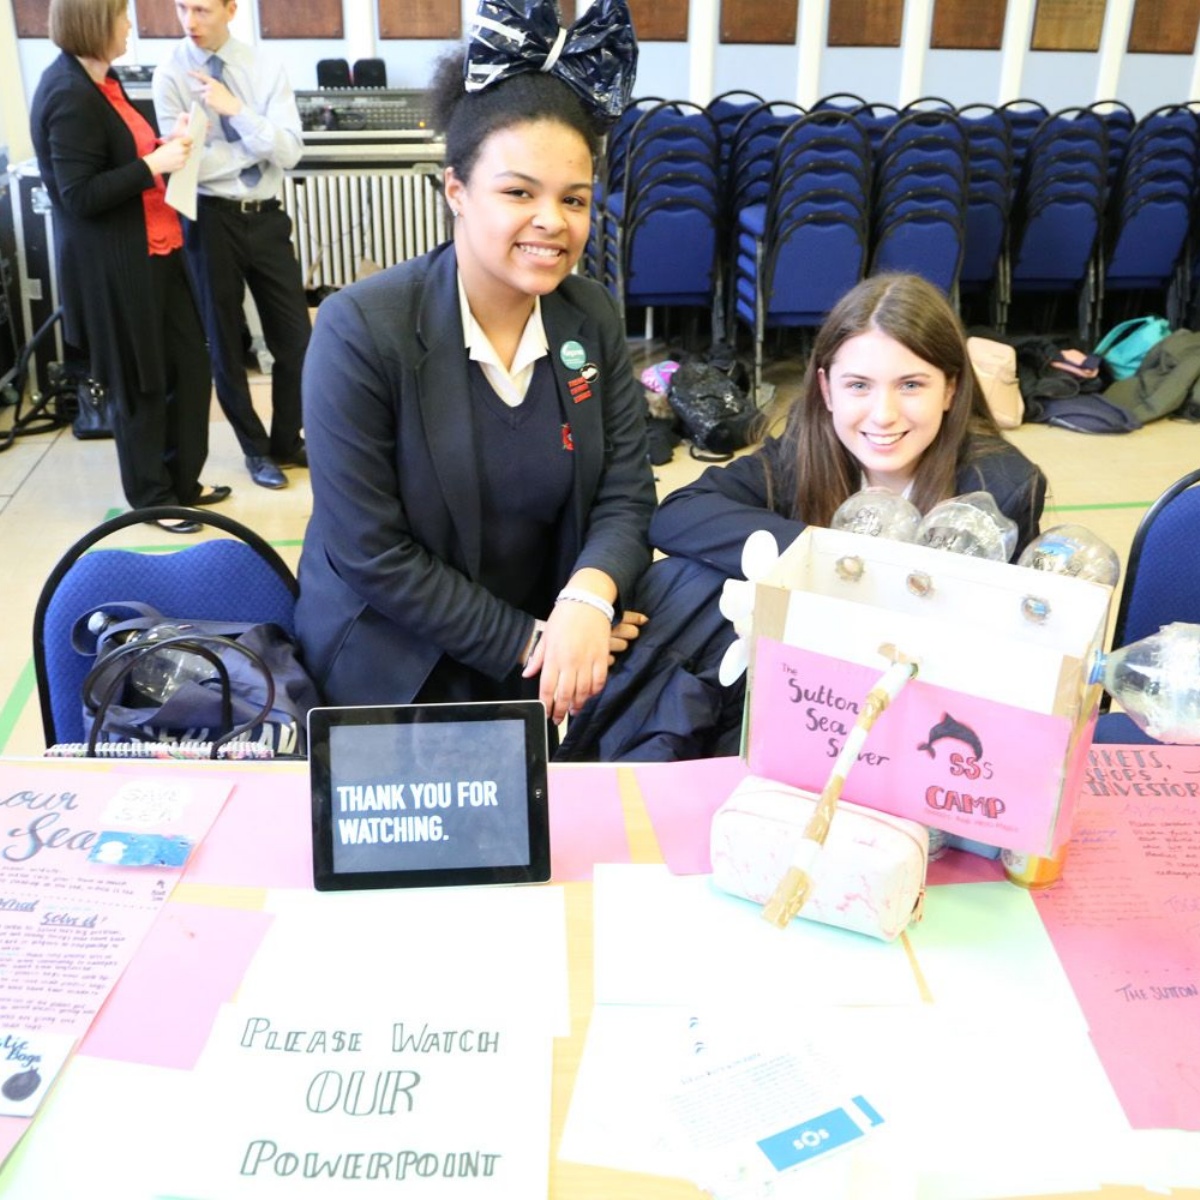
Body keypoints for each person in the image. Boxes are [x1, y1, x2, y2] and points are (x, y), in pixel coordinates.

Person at [294, 3, 655, 727]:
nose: (552, 220)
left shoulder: (590, 315)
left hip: (556, 660)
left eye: (574, 199)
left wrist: (587, 598)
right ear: (456, 191)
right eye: (519, 192)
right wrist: (536, 642)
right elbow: (371, 552)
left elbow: (626, 490)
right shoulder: (361, 330)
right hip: (398, 668)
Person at [558, 272, 1048, 762]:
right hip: (807, 699)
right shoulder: (807, 450)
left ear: (950, 389)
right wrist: (836, 559)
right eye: (859, 385)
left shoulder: (1000, 488)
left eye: (911, 385)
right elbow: (679, 514)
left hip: (916, 721)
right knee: (687, 580)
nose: (883, 414)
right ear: (827, 389)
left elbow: (1003, 662)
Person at [30, 0, 225, 535]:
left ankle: (182, 486)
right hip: (116, 267)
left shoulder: (105, 83)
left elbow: (123, 159)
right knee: (140, 382)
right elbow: (78, 194)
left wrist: (166, 145)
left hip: (158, 251)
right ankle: (152, 498)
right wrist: (151, 165)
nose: (129, 26)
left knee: (189, 368)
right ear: (94, 23)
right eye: (121, 17)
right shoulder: (67, 94)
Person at [153, 0, 310, 491]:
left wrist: (235, 111)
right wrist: (253, 148)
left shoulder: (263, 68)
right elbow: (185, 165)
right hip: (209, 219)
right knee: (224, 343)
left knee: (296, 341)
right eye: (182, 8)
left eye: (201, 9)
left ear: (230, 9)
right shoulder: (171, 74)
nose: (190, 22)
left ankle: (287, 440)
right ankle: (255, 450)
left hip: (265, 219)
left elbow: (290, 152)